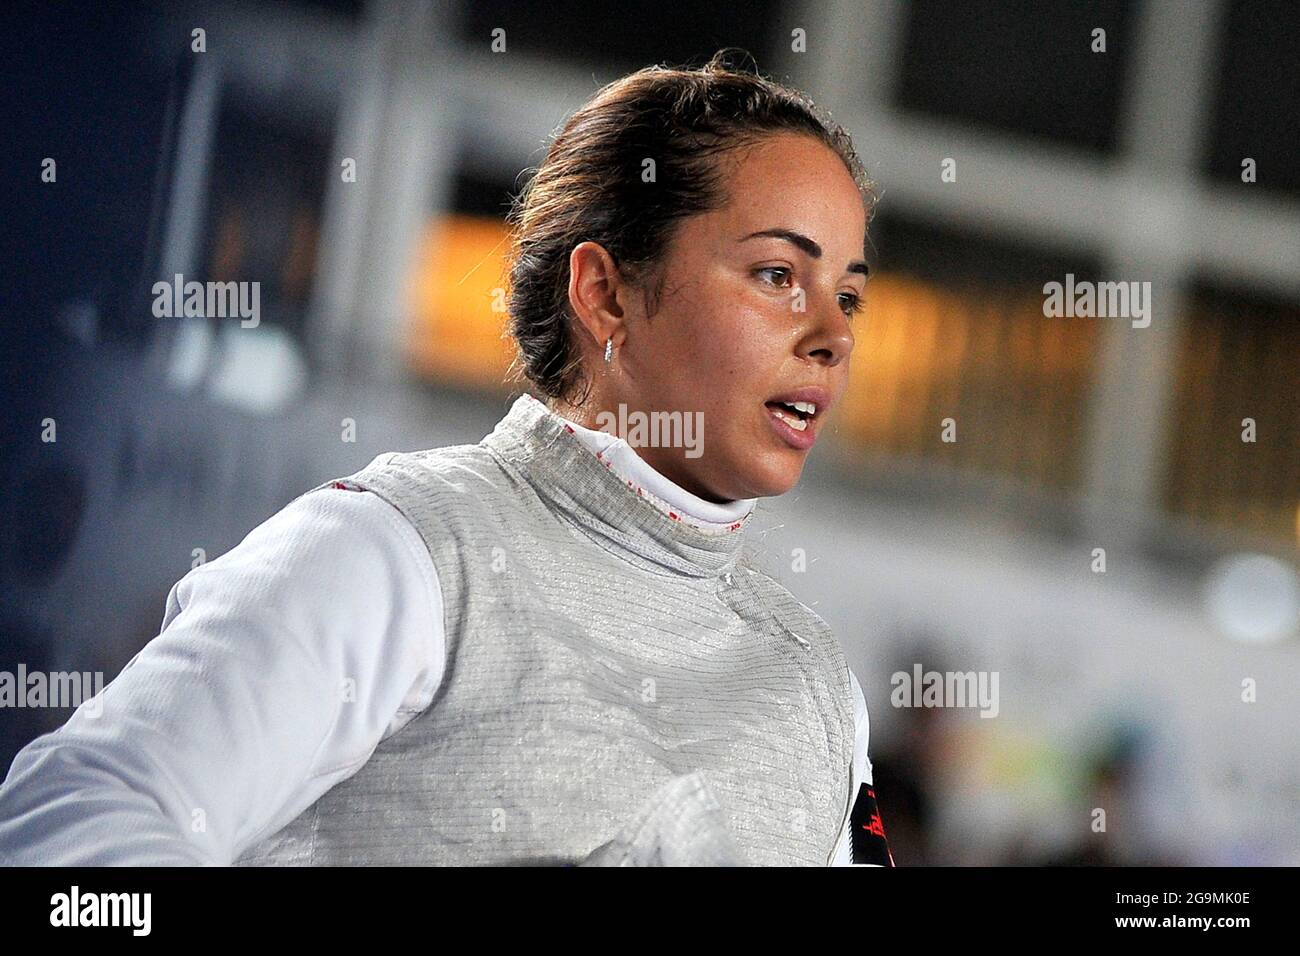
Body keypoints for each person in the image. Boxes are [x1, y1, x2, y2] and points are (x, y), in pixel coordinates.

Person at [0, 50, 892, 867]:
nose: (832, 336)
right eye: (779, 275)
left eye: (848, 295)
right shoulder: (397, 553)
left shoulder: (815, 688)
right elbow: (69, 821)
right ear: (605, 294)